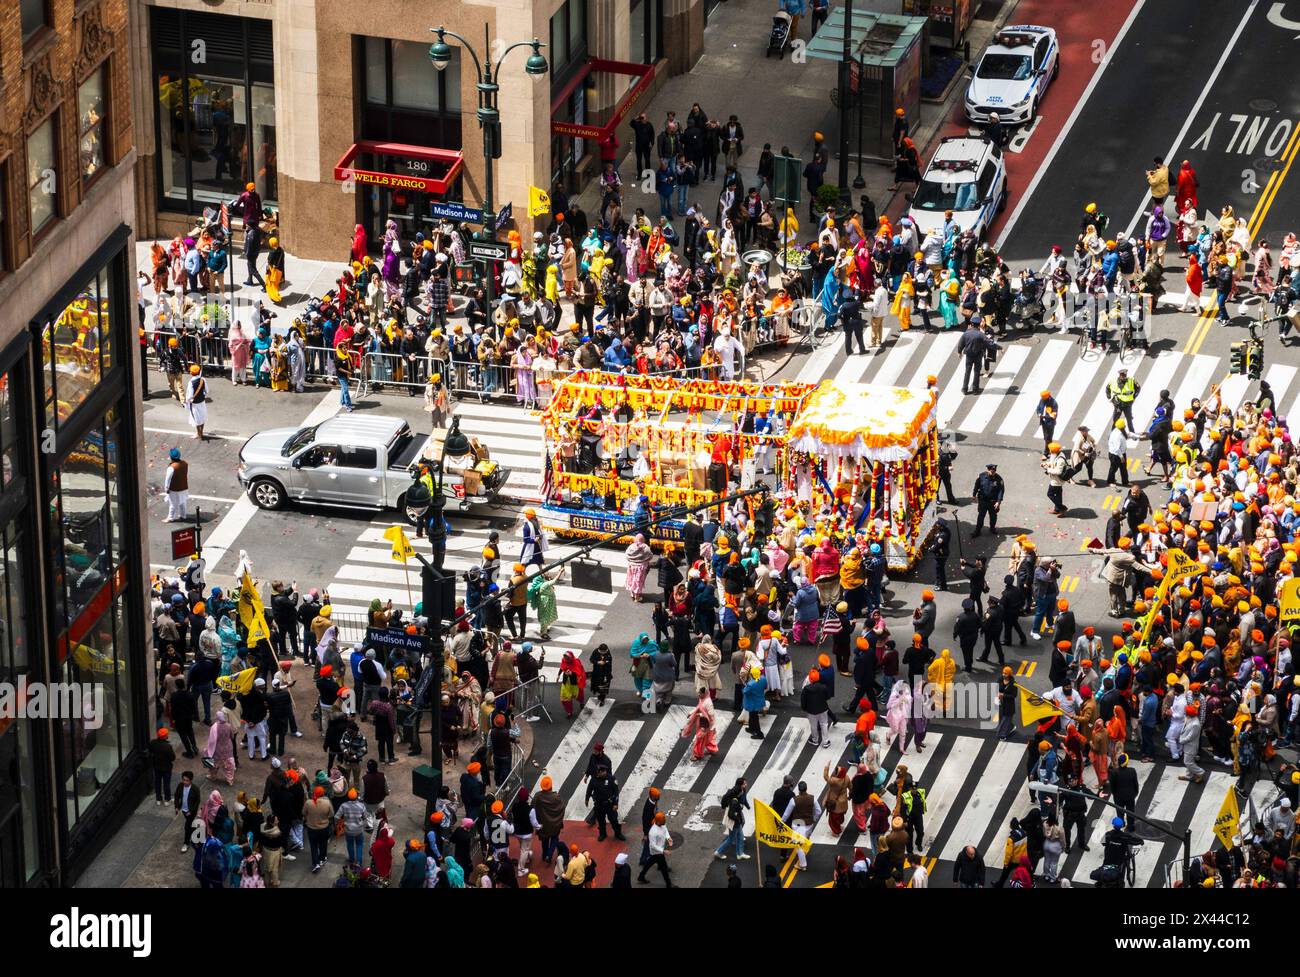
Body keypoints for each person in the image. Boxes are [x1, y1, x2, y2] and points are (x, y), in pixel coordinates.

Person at [637, 811, 673, 886]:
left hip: (659, 850)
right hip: (656, 852)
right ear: (659, 822)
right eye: (664, 820)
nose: (665, 821)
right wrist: (663, 851)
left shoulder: (662, 824)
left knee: (650, 862)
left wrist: (668, 838)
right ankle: (669, 884)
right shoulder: (653, 832)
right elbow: (653, 845)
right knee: (663, 869)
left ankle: (641, 876)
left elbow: (665, 829)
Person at [972, 463, 1003, 536]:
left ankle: (992, 528)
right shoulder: (981, 476)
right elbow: (977, 485)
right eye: (992, 471)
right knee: (981, 516)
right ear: (988, 470)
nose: (993, 473)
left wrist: (998, 502)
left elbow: (1001, 491)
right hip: (983, 501)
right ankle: (977, 531)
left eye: (994, 471)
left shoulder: (999, 479)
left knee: (993, 517)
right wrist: (974, 494)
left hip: (993, 502)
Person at [163, 447, 189, 523]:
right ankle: (183, 516)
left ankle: (170, 517)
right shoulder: (185, 463)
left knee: (173, 503)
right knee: (183, 502)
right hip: (184, 487)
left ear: (171, 457)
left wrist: (166, 488)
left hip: (174, 488)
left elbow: (168, 479)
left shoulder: (171, 467)